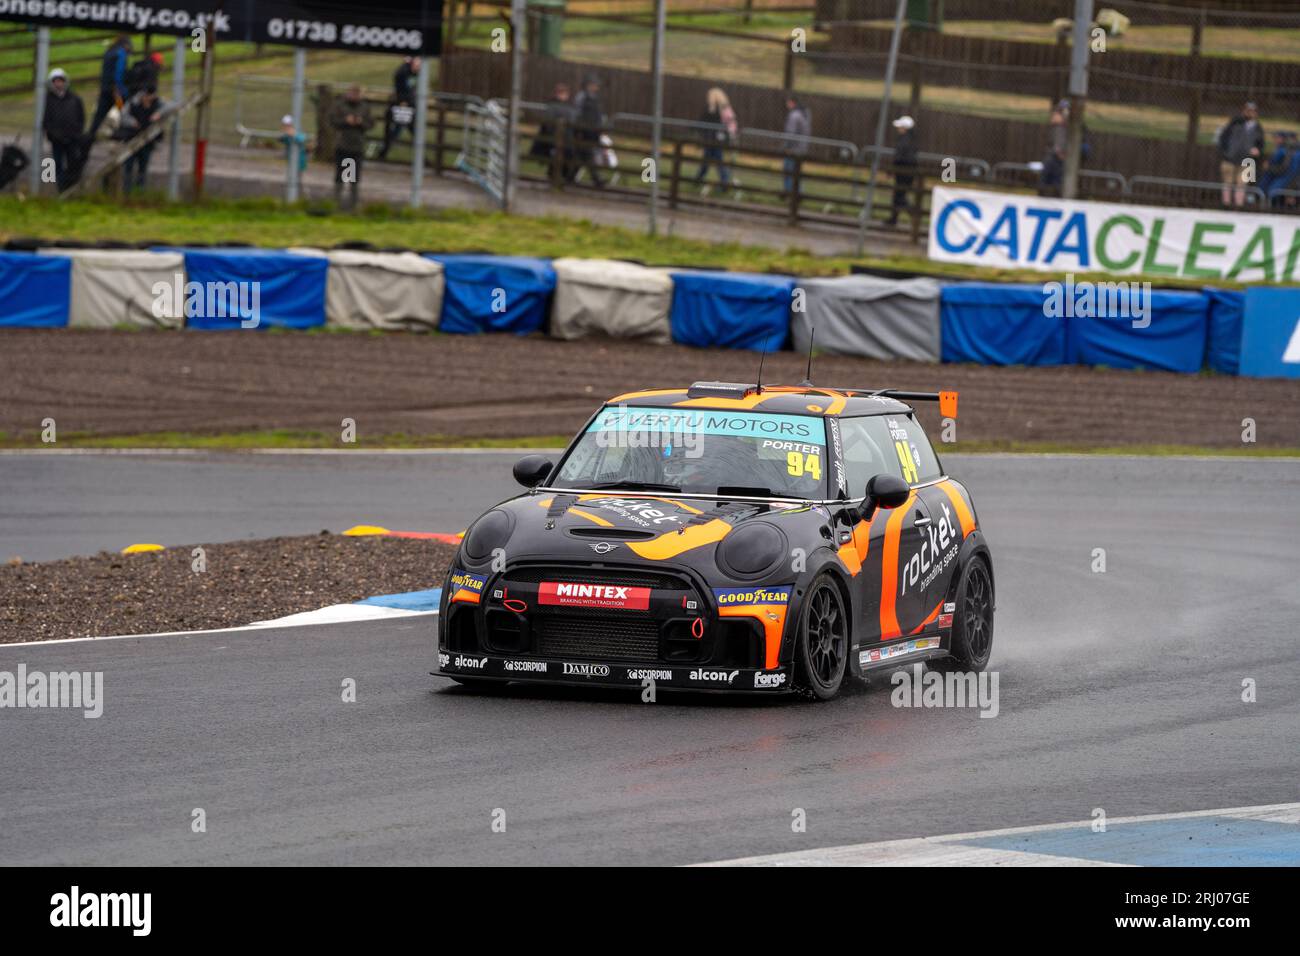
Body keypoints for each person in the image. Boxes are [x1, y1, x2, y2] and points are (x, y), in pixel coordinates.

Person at [115, 85, 166, 193]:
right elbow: (122, 115)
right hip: (131, 140)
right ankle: (126, 192)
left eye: (151, 96)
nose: (148, 98)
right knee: (128, 168)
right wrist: (132, 122)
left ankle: (140, 192)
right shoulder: (133, 103)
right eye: (146, 95)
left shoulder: (158, 104)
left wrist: (159, 114)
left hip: (147, 142)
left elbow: (170, 107)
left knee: (143, 169)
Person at [42, 68, 86, 193]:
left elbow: (81, 117)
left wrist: (77, 133)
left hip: (72, 139)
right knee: (57, 165)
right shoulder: (48, 100)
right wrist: (53, 134)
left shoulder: (75, 99)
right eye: (55, 81)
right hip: (57, 140)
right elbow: (46, 120)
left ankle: (71, 188)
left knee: (73, 164)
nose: (58, 84)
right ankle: (61, 189)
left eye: (60, 81)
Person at [330, 84, 373, 210]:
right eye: (352, 93)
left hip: (357, 146)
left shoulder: (364, 107)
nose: (354, 96)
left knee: (354, 177)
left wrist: (360, 122)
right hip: (342, 144)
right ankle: (336, 203)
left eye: (357, 93)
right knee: (340, 175)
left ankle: (352, 205)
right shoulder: (340, 105)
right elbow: (332, 120)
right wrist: (345, 121)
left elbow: (370, 123)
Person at [1216, 100, 1264, 208]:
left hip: (1247, 160)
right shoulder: (1235, 123)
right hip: (1230, 158)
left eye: (1252, 111)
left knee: (1242, 184)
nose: (1250, 113)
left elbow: (1260, 144)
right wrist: (1225, 152)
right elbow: (1223, 138)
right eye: (1248, 111)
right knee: (1227, 183)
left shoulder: (1257, 128)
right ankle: (1226, 205)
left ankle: (1239, 206)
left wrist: (1257, 151)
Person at [87, 34, 132, 141]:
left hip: (105, 89)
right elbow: (119, 72)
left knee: (98, 118)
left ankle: (88, 140)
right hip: (116, 92)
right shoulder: (120, 53)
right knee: (123, 111)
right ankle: (122, 135)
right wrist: (118, 89)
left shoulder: (109, 52)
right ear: (125, 45)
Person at [530, 82, 577, 180]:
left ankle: (560, 177)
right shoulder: (553, 106)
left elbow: (573, 121)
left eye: (564, 93)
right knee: (558, 157)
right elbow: (548, 124)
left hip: (566, 139)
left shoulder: (569, 107)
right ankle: (555, 177)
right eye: (561, 93)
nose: (563, 95)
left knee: (567, 158)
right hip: (554, 139)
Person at [695, 87, 737, 193]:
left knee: (716, 161)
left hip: (716, 140)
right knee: (710, 161)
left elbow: (727, 124)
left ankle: (723, 183)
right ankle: (699, 180)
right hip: (713, 139)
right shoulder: (716, 109)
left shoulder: (720, 109)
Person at [378, 56, 420, 160]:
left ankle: (384, 151)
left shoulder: (413, 73)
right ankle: (384, 151)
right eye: (417, 64)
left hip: (409, 105)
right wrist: (402, 100)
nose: (419, 67)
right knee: (398, 129)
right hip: (403, 105)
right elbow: (401, 86)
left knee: (409, 129)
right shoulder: (403, 73)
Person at [572, 74, 607, 187]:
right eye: (594, 85)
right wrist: (578, 129)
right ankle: (596, 179)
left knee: (581, 156)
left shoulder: (594, 98)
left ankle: (569, 177)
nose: (596, 87)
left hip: (592, 132)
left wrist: (600, 127)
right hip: (584, 131)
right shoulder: (582, 97)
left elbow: (597, 115)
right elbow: (577, 113)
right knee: (587, 155)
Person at [886, 114, 917, 227]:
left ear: (905, 128)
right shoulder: (910, 139)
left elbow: (899, 157)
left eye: (900, 127)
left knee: (900, 196)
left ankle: (914, 215)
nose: (898, 129)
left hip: (904, 172)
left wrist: (891, 170)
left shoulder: (905, 140)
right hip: (907, 172)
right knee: (898, 195)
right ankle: (893, 219)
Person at [781, 92, 810, 197]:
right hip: (801, 147)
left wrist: (787, 146)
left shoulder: (794, 116)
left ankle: (790, 193)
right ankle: (798, 193)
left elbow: (790, 133)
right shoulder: (804, 114)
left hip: (793, 149)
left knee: (789, 171)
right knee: (797, 172)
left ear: (792, 102)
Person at [1038, 102, 1068, 196]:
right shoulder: (1056, 127)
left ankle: (1055, 195)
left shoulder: (1066, 128)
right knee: (1046, 177)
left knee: (1056, 181)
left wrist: (1061, 153)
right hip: (1054, 156)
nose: (1056, 116)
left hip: (1060, 158)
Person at [280, 114, 309, 179]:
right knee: (290, 177)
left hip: (299, 160)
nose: (285, 127)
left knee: (297, 178)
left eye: (287, 125)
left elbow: (302, 139)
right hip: (291, 160)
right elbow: (282, 139)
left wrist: (293, 135)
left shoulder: (297, 132)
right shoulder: (287, 135)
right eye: (284, 125)